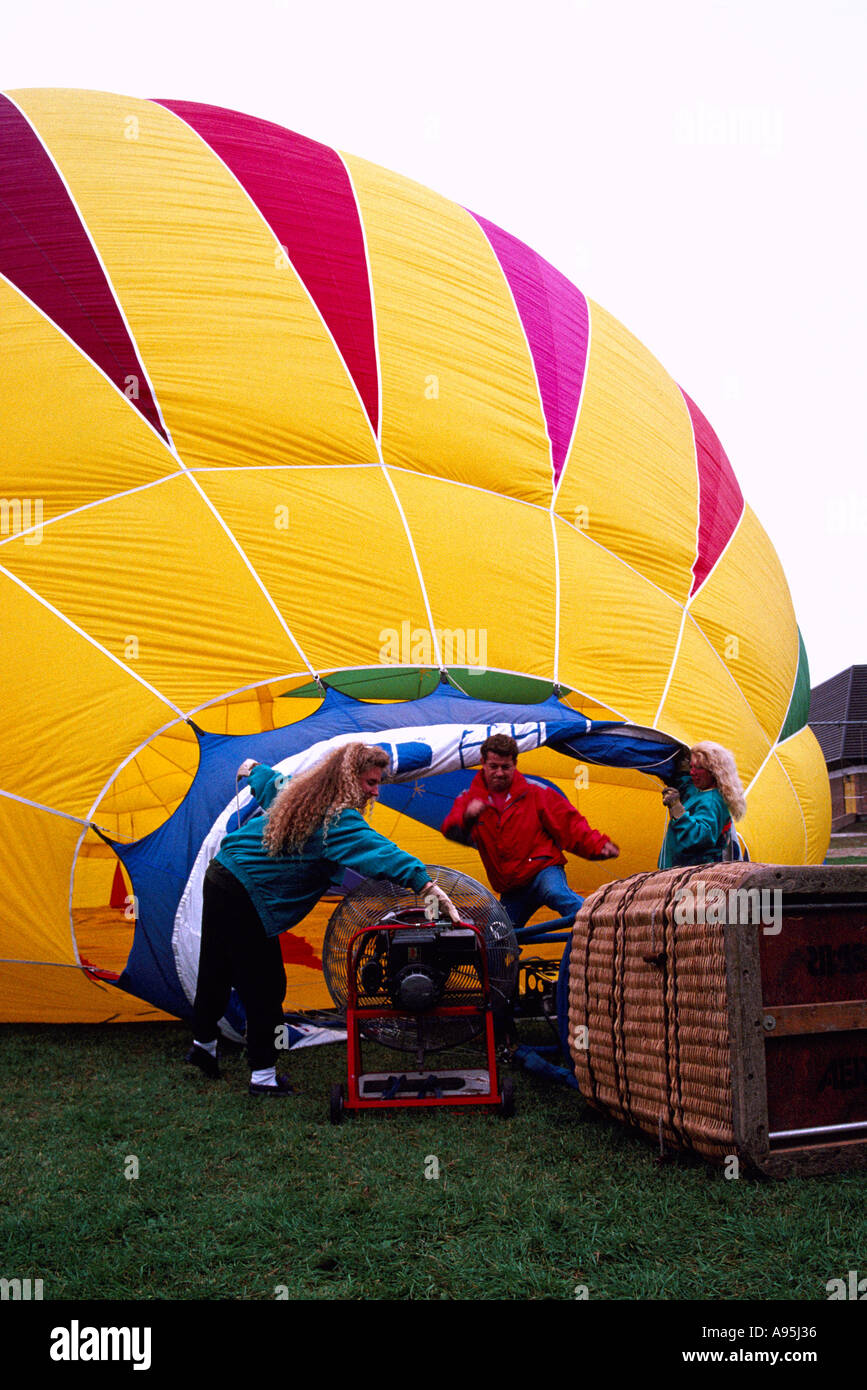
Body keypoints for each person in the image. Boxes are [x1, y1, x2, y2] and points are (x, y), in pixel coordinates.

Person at [186, 742, 459, 1095]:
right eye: (370, 783)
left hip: (222, 874)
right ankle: (263, 1077)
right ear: (348, 779)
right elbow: (382, 853)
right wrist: (426, 885)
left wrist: (253, 768)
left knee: (216, 967)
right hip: (245, 892)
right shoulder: (339, 820)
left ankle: (203, 1047)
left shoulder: (303, 793)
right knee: (265, 984)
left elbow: (272, 783)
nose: (376, 791)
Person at [441, 734, 619, 931]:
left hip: (543, 870)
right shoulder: (469, 800)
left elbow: (570, 826)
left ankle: (603, 927)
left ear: (515, 764)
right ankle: (505, 961)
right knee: (497, 935)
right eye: (494, 766)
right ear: (483, 763)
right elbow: (451, 829)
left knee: (556, 893)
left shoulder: (536, 793)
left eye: (505, 767)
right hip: (512, 887)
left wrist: (598, 846)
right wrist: (468, 816)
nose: (499, 773)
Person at [658, 741, 746, 869]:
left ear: (714, 771)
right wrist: (680, 767)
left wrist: (677, 809)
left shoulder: (712, 801)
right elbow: (686, 786)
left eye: (698, 768)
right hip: (678, 869)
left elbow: (700, 837)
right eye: (691, 766)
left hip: (690, 874)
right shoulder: (700, 789)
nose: (692, 772)